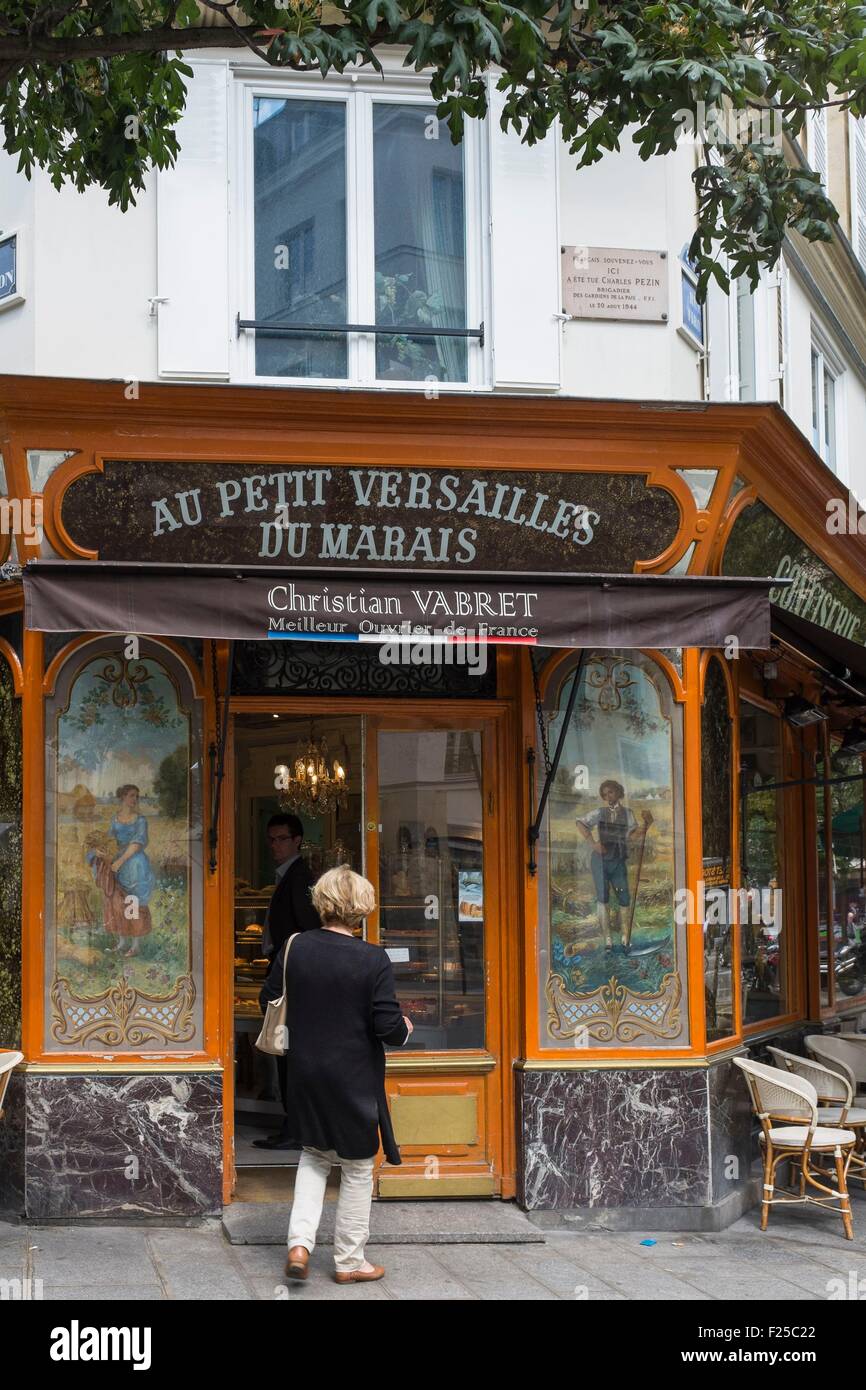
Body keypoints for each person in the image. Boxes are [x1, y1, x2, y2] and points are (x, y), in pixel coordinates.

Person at [260, 865, 413, 1284]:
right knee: (359, 1167)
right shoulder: (372, 958)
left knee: (313, 1156)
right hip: (353, 1077)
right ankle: (349, 1261)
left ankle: (299, 1245)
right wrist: (405, 1028)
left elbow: (269, 998)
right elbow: (388, 1027)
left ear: (322, 902)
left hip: (304, 1071)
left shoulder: (296, 947)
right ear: (362, 908)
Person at [254, 812, 321, 1151]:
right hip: (284, 975)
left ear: (297, 841)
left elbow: (305, 931)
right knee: (286, 1056)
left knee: (289, 1056)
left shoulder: (298, 877)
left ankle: (296, 1128)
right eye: (271, 839)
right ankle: (293, 1124)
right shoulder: (288, 876)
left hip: (290, 981)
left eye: (281, 839)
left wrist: (282, 980)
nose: (275, 845)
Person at [576, 779, 653, 952]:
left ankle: (625, 936)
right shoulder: (599, 812)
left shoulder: (628, 814)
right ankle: (608, 940)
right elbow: (580, 823)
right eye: (605, 793)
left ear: (618, 793)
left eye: (611, 792)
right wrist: (593, 843)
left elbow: (632, 836)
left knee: (624, 897)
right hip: (600, 860)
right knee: (603, 897)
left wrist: (646, 826)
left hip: (618, 859)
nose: (608, 796)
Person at [85, 785, 154, 958]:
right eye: (132, 796)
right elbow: (109, 841)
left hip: (134, 864)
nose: (135, 799)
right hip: (116, 862)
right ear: (123, 797)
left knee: (134, 903)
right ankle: (122, 942)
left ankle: (136, 944)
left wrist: (121, 860)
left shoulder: (140, 820)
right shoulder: (115, 820)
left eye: (136, 796)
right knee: (118, 904)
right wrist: (101, 851)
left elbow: (137, 843)